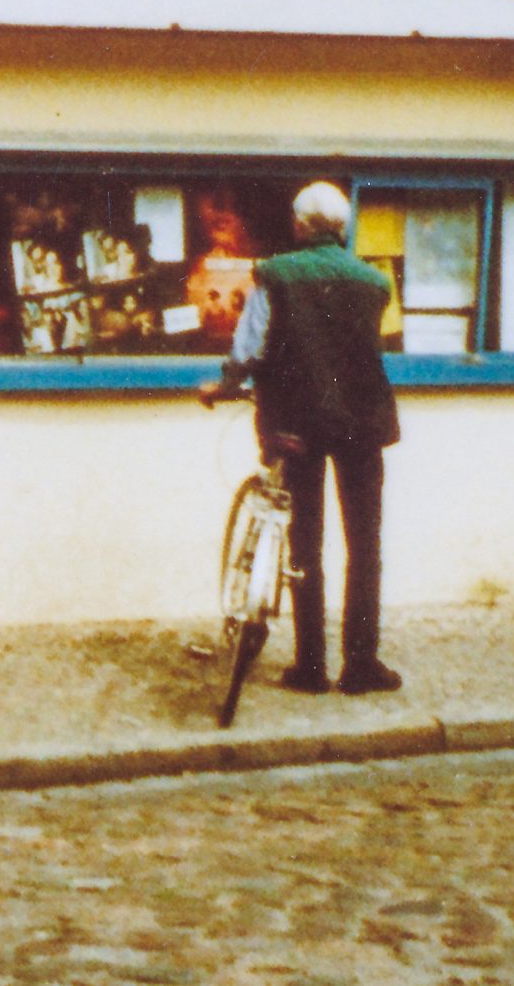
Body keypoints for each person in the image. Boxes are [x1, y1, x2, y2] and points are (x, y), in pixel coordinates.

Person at [198, 181, 402, 696]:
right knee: (365, 545)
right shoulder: (374, 282)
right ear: (342, 228)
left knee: (304, 542)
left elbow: (250, 344)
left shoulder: (276, 274)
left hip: (297, 424)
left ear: (300, 225)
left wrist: (224, 384)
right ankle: (361, 665)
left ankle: (310, 665)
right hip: (360, 422)